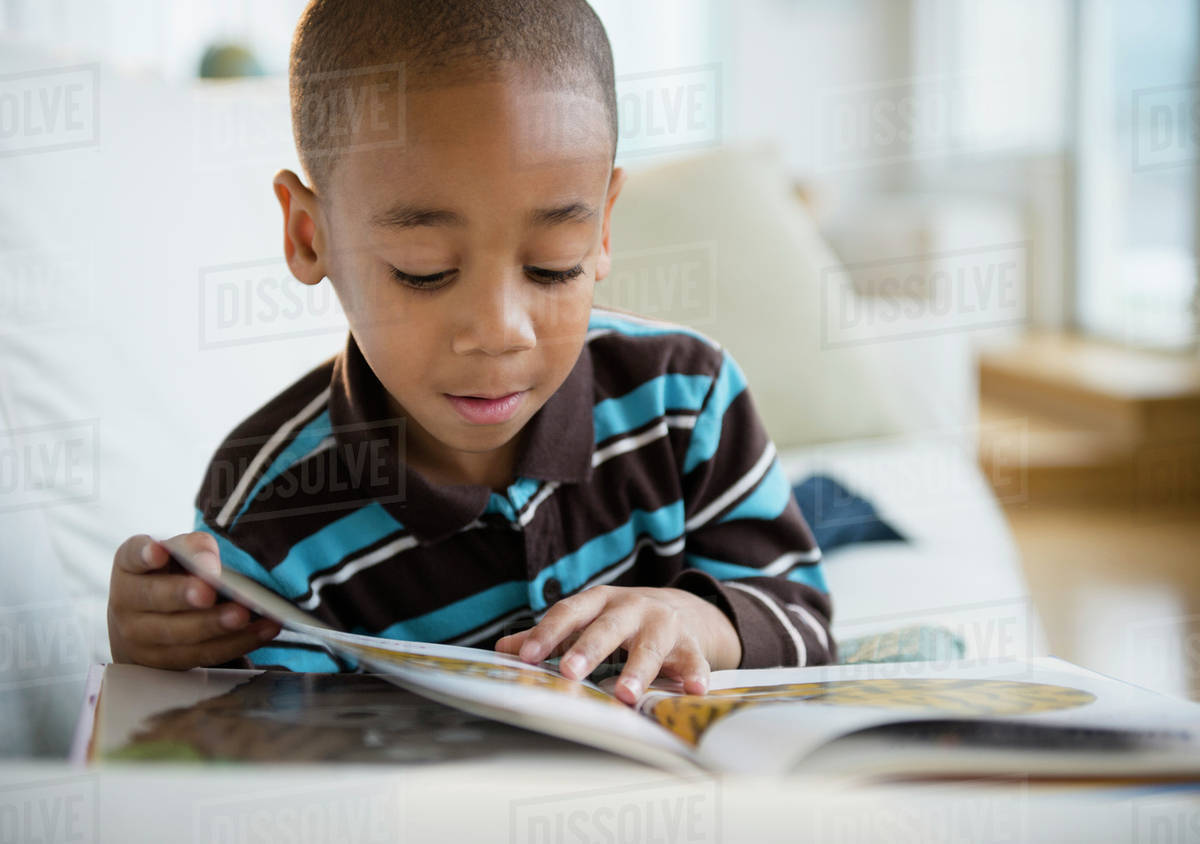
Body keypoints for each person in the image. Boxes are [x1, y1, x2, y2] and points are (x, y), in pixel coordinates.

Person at [106, 0, 837, 706]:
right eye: (424, 270)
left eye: (553, 264)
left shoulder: (688, 397)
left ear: (604, 229)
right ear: (307, 236)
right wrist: (169, 654)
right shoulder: (269, 518)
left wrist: (696, 623)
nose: (499, 331)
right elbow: (271, 751)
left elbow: (805, 624)